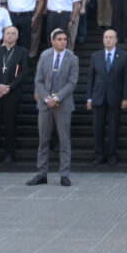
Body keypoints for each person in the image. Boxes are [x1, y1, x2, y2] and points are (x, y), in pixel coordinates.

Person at [29, 28, 78, 186]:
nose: (63, 42)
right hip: (45, 105)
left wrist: (57, 98)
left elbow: (72, 82)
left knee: (64, 141)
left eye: (65, 39)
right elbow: (39, 80)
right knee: (43, 140)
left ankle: (64, 174)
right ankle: (41, 173)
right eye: (60, 39)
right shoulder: (45, 55)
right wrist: (46, 98)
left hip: (63, 105)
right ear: (52, 41)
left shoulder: (72, 58)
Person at [87, 29, 127, 166]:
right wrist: (89, 98)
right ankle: (99, 154)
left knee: (114, 127)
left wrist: (125, 98)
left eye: (111, 37)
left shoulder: (124, 56)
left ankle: (112, 154)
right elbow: (91, 78)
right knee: (97, 128)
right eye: (106, 37)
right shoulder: (96, 56)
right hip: (98, 97)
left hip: (115, 98)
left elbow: (126, 79)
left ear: (116, 39)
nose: (108, 40)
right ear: (103, 39)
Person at [0, 26, 26, 164]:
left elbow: (22, 73)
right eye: (8, 33)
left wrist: (9, 87)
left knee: (10, 125)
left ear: (17, 36)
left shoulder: (22, 52)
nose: (10, 35)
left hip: (12, 94)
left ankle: (10, 154)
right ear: (3, 35)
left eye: (13, 33)